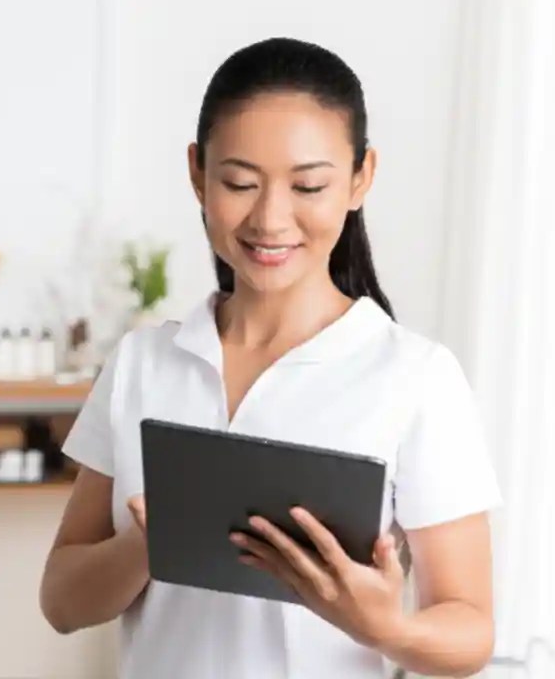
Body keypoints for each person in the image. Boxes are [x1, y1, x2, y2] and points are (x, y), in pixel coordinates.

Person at [38, 37, 500, 679]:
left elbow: (470, 630)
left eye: (309, 185)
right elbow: (61, 601)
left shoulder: (414, 377)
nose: (271, 218)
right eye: (239, 182)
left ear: (361, 177)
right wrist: (150, 544)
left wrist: (385, 627)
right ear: (198, 173)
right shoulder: (145, 362)